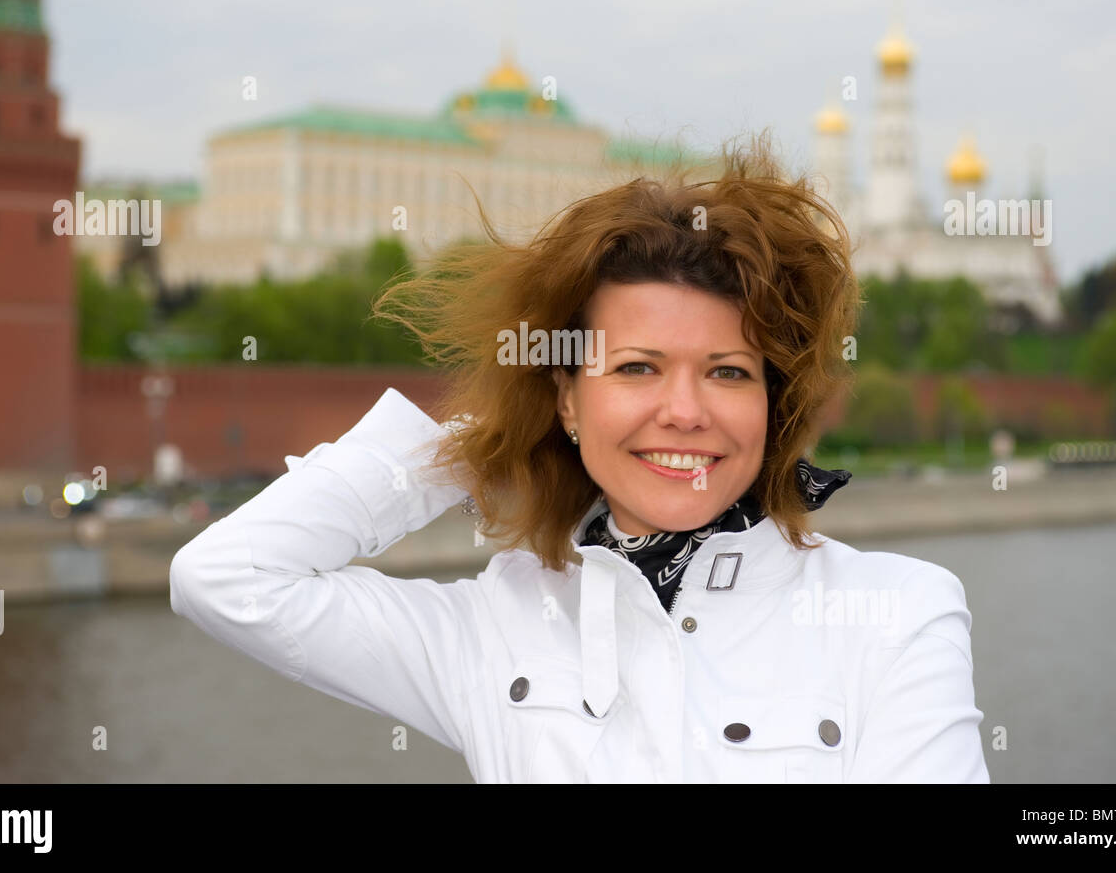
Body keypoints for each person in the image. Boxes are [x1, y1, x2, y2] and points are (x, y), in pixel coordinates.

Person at [169, 131, 990, 783]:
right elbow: (228, 580)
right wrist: (478, 446)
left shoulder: (898, 612)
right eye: (636, 368)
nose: (684, 411)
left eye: (729, 372)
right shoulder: (496, 628)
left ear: (775, 409)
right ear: (567, 396)